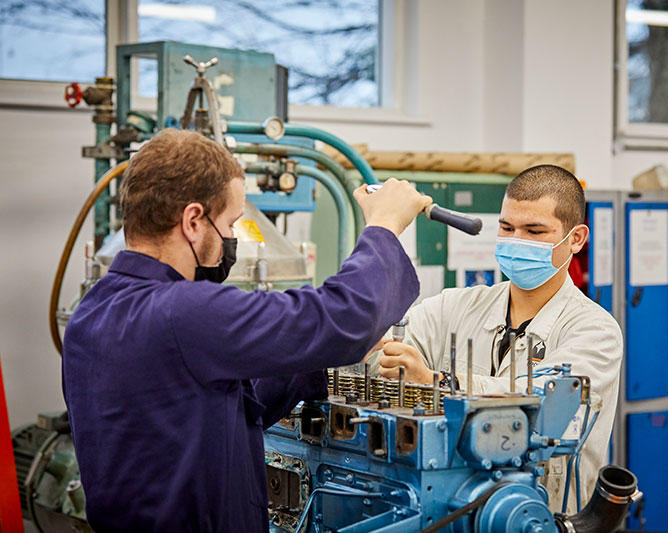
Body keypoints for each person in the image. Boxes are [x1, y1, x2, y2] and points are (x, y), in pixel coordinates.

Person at [61, 129, 432, 531]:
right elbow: (343, 315)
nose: (234, 238)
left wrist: (319, 363)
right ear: (192, 221)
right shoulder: (181, 312)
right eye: (232, 222)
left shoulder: (93, 313)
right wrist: (384, 227)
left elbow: (226, 408)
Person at [370, 165, 622, 513]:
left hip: (541, 513)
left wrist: (438, 383)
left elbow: (541, 408)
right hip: (453, 509)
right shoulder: (455, 306)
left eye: (534, 231)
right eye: (507, 228)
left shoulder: (596, 331)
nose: (516, 241)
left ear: (576, 239)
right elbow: (374, 353)